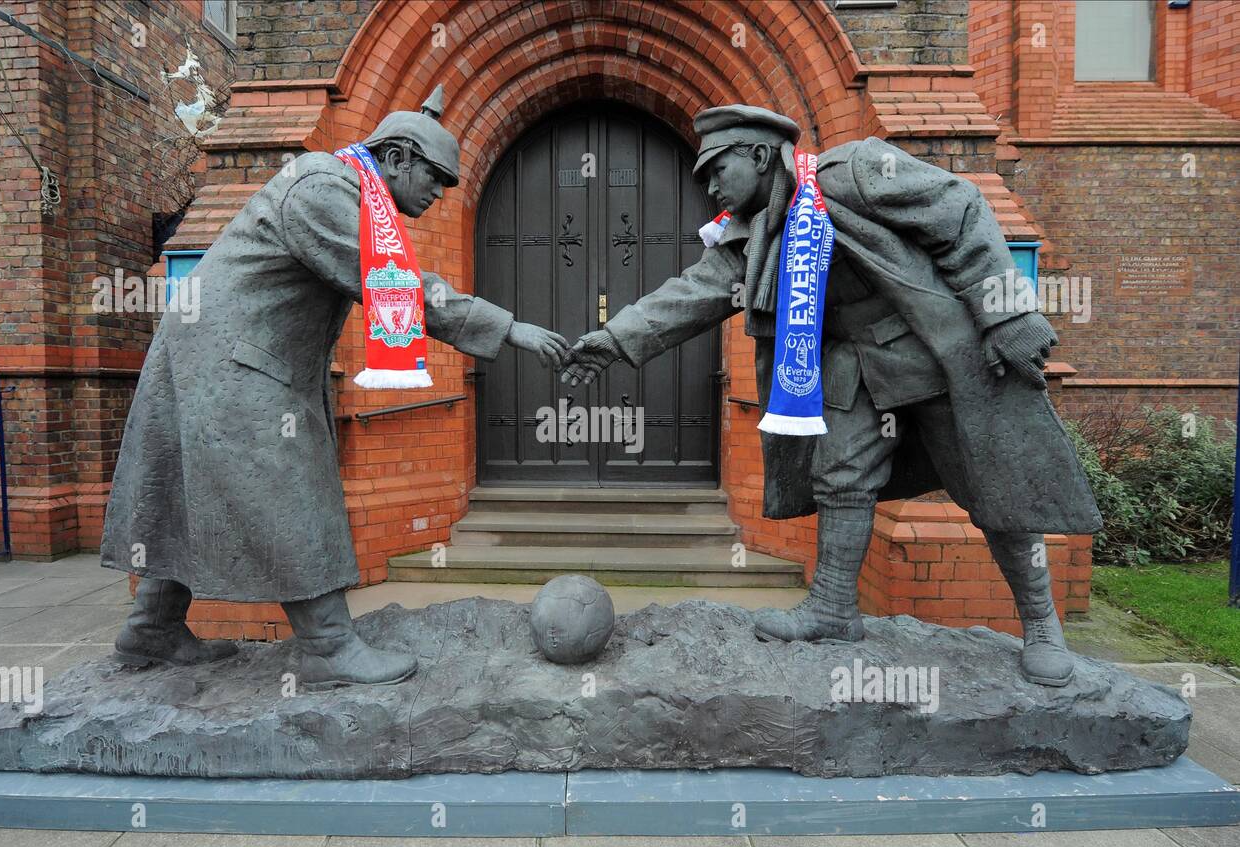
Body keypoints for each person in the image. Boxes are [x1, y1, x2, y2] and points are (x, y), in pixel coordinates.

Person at [561, 105, 1102, 687]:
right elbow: (691, 294)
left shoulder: (855, 172)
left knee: (993, 486)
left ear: (760, 155)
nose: (711, 186)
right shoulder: (752, 235)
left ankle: (1042, 624)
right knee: (841, 476)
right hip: (852, 367)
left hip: (935, 352)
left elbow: (962, 210)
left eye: (717, 169)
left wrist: (1007, 314)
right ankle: (834, 609)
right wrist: (614, 340)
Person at [101, 87, 567, 688]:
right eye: (436, 178)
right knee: (293, 490)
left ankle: (151, 629)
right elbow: (393, 284)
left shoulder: (348, 189)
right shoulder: (324, 191)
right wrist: (510, 328)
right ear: (397, 158)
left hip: (226, 362)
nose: (440, 192)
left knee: (194, 491)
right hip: (235, 366)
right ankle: (326, 647)